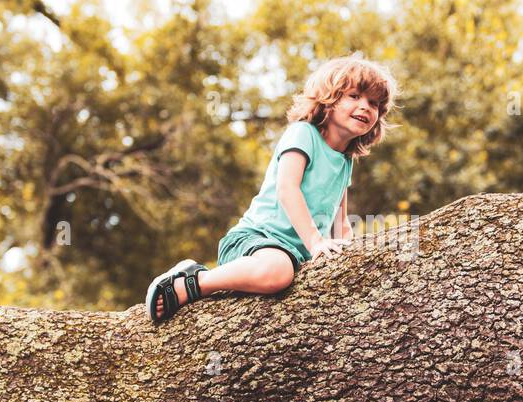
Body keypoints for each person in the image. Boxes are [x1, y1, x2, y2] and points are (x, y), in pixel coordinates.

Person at [146, 53, 400, 323]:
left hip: (292, 257)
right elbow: (287, 189)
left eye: (374, 103)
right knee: (279, 271)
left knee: (286, 270)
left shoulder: (345, 160)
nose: (365, 107)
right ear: (329, 98)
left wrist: (351, 254)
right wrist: (315, 242)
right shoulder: (303, 134)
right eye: (355, 96)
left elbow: (340, 223)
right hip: (255, 239)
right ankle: (191, 281)